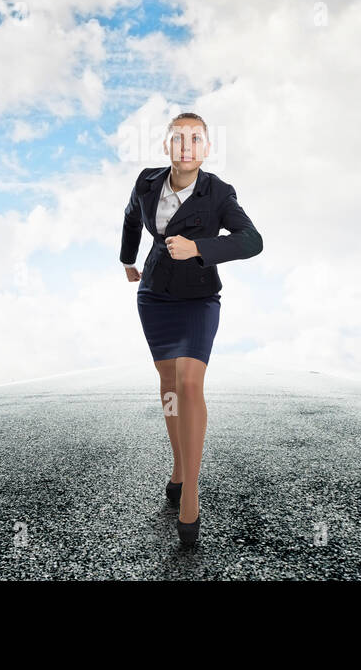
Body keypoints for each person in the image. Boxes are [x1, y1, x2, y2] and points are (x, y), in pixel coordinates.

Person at [119, 112, 263, 547]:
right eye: (178, 138)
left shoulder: (219, 193)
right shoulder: (147, 182)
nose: (186, 146)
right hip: (155, 295)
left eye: (195, 139)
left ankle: (191, 492)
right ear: (167, 146)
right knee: (167, 382)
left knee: (189, 381)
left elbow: (251, 240)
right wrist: (129, 260)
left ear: (206, 148)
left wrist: (200, 247)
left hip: (199, 297)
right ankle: (179, 466)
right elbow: (130, 216)